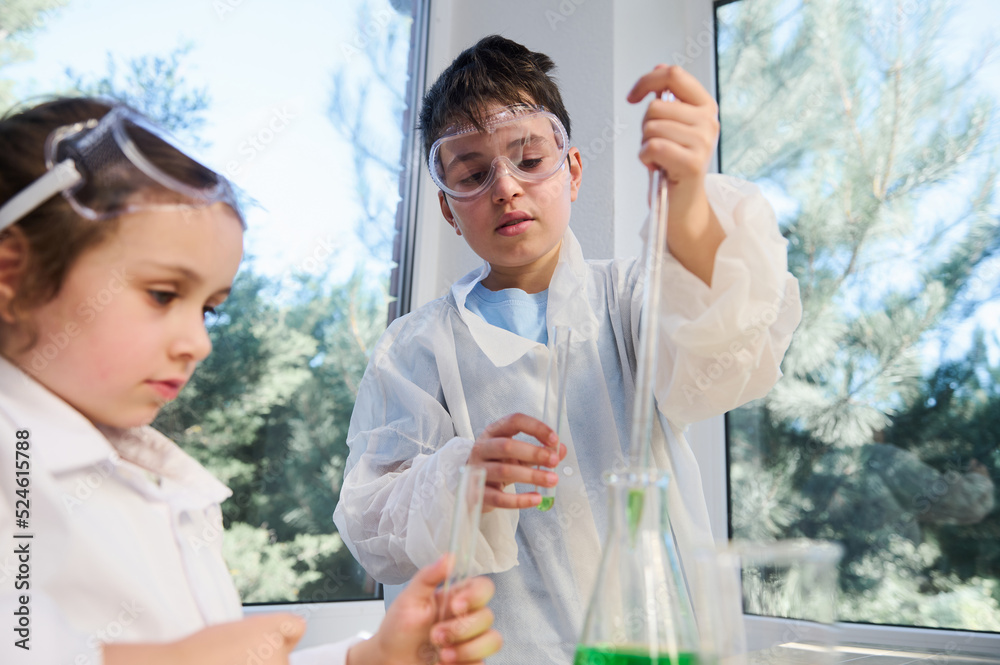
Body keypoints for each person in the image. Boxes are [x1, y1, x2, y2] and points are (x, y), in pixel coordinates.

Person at [333, 34, 802, 663]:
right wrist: (460, 476)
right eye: (473, 174)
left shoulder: (636, 299)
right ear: (448, 209)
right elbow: (373, 530)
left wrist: (687, 200)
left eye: (529, 160)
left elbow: (727, 360)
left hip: (651, 645)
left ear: (572, 171)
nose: (505, 187)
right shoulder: (414, 349)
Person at [0, 97, 502, 665]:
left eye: (208, 308)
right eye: (163, 294)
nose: (198, 341)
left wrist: (370, 659)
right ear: (13, 275)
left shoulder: (165, 483)